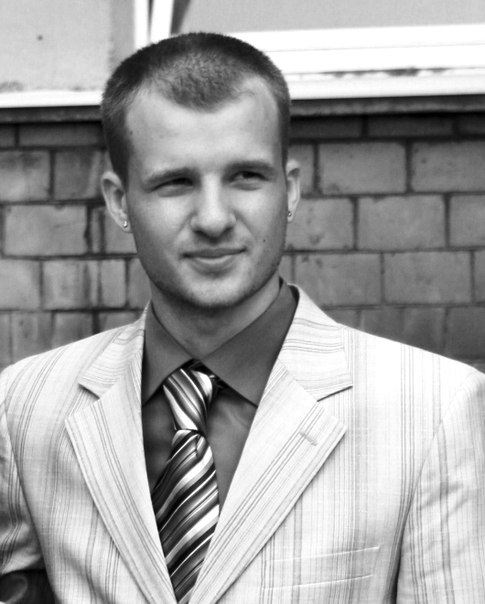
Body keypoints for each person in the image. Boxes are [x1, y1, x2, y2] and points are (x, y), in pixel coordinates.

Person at [1, 32, 484, 604]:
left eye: (246, 177)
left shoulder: (432, 409)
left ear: (290, 190)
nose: (213, 219)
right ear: (118, 200)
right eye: (175, 182)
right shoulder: (25, 406)